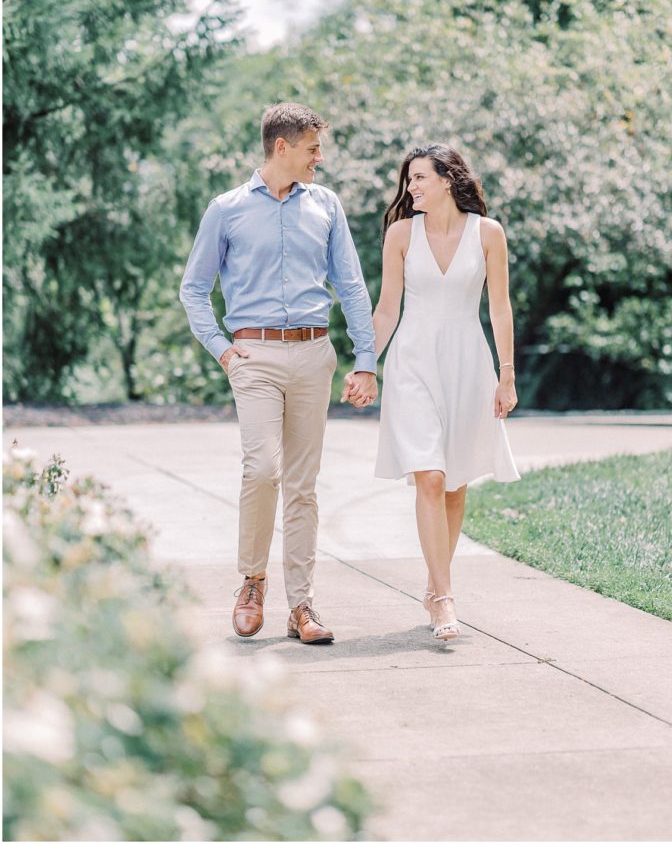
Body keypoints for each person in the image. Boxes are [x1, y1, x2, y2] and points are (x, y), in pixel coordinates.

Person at [180, 103, 377, 644]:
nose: (321, 157)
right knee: (262, 470)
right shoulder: (227, 209)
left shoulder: (327, 206)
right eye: (314, 148)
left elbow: (352, 285)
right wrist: (220, 348)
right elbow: (193, 289)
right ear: (282, 147)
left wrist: (365, 359)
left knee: (303, 485)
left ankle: (302, 606)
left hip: (314, 353)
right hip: (254, 357)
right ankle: (252, 581)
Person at [344, 143, 519, 640]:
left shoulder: (489, 233)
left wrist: (506, 375)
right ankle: (443, 599)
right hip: (412, 362)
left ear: (448, 178)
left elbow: (500, 309)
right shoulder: (401, 234)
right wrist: (364, 366)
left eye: (420, 177)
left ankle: (434, 582)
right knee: (430, 476)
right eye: (409, 180)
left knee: (456, 481)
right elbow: (386, 309)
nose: (411, 188)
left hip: (467, 362)